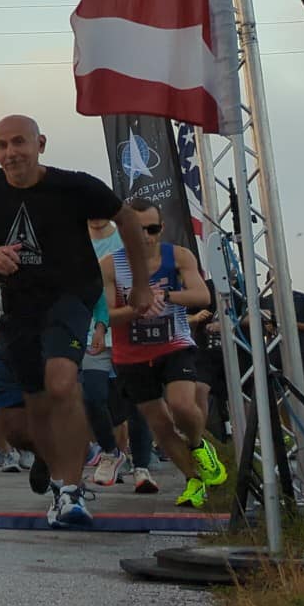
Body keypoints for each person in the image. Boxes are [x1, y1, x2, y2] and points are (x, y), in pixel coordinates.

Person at [0, 115, 152, 526]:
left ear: (41, 143)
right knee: (31, 413)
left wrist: (141, 285)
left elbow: (127, 219)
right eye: (1, 146)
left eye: (19, 142)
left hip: (70, 296)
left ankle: (72, 492)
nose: (11, 153)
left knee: (62, 382)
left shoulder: (73, 186)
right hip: (15, 307)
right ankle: (55, 471)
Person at [101, 198, 224, 508]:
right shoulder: (110, 265)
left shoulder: (178, 256)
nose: (146, 236)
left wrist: (166, 295)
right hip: (132, 355)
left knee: (182, 406)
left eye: (153, 229)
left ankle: (198, 445)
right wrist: (136, 307)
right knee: (160, 424)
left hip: (174, 344)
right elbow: (105, 314)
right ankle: (193, 481)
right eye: (138, 230)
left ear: (162, 228)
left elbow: (202, 295)